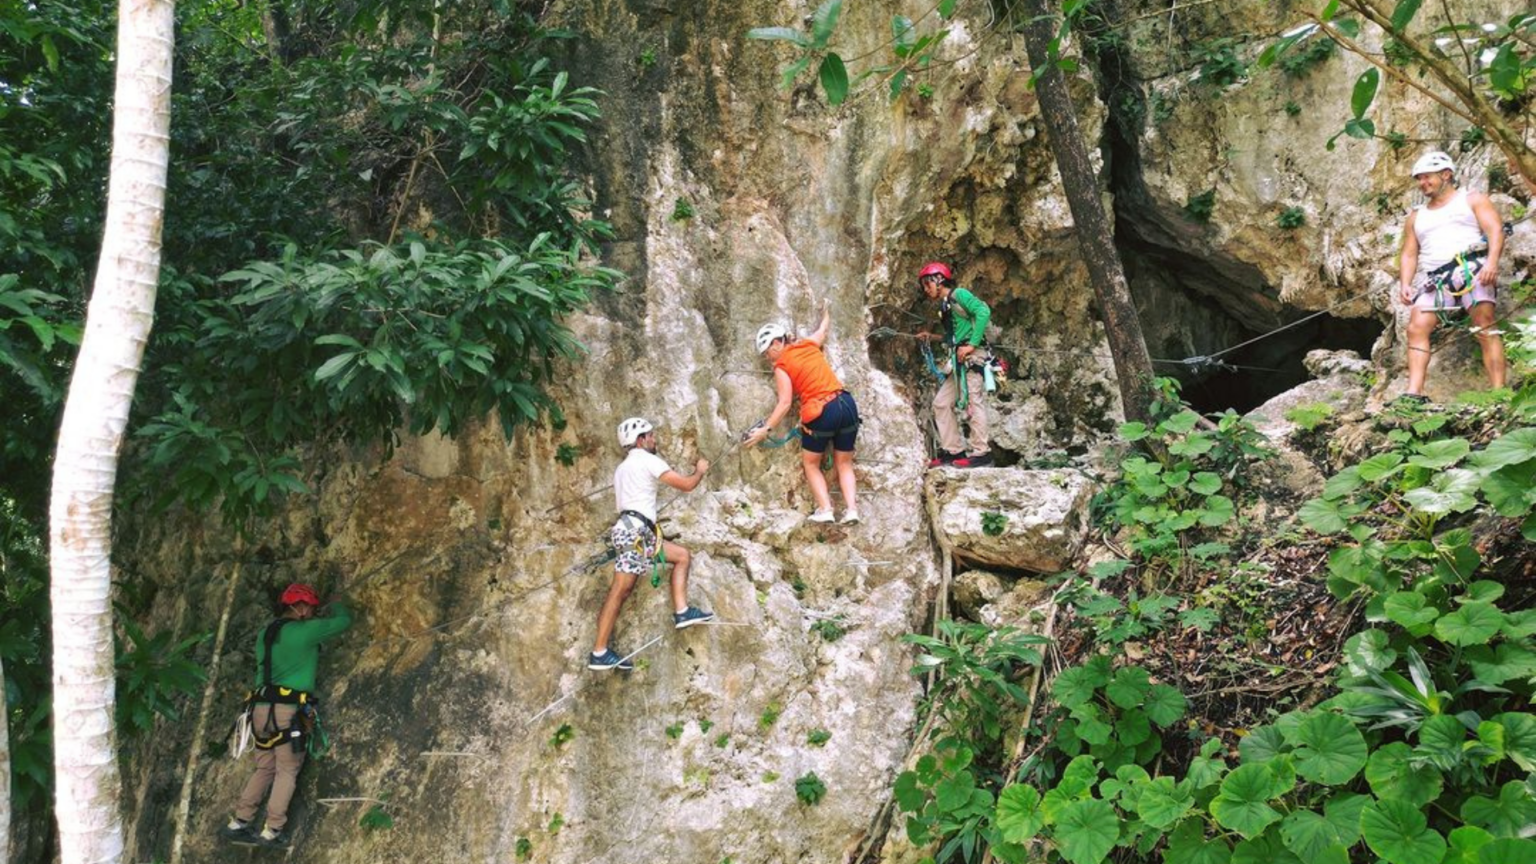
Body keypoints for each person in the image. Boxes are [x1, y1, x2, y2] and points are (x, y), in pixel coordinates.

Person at [222, 583, 353, 849]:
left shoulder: (265, 633)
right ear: (301, 608)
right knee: (287, 769)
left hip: (259, 710)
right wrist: (338, 602)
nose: (313, 613)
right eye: (311, 608)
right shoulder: (306, 632)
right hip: (288, 711)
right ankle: (273, 830)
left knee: (265, 767)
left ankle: (240, 822)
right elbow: (343, 621)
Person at [589, 417, 714, 671]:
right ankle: (599, 651)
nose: (654, 440)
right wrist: (700, 470)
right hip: (635, 532)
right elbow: (686, 485)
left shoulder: (622, 469)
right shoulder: (646, 460)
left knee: (681, 556)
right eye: (651, 435)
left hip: (634, 530)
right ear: (641, 440)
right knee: (620, 590)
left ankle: (682, 611)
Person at [1398, 150, 1507, 402]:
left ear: (1446, 175)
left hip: (1472, 268)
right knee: (1416, 328)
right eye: (1419, 179)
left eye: (1427, 177)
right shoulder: (1416, 215)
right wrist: (1405, 282)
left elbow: (1495, 230)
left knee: (1484, 323)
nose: (1422, 183)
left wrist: (1492, 262)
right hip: (1435, 277)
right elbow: (1409, 254)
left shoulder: (1472, 200)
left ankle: (1499, 392)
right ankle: (1414, 393)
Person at [742, 303, 861, 524]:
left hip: (822, 410)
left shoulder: (782, 367)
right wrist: (826, 312)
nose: (768, 357)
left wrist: (764, 430)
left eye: (768, 350)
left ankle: (825, 509)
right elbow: (822, 331)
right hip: (846, 404)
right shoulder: (807, 345)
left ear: (778, 342)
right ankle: (852, 510)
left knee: (811, 463)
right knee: (844, 463)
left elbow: (785, 402)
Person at [915, 261, 995, 467]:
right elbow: (955, 336)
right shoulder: (945, 305)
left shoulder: (959, 295)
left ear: (939, 279)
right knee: (941, 403)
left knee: (972, 401)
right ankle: (953, 450)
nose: (926, 289)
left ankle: (981, 452)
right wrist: (931, 337)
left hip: (971, 357)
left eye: (927, 284)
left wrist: (971, 345)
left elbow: (983, 311)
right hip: (959, 359)